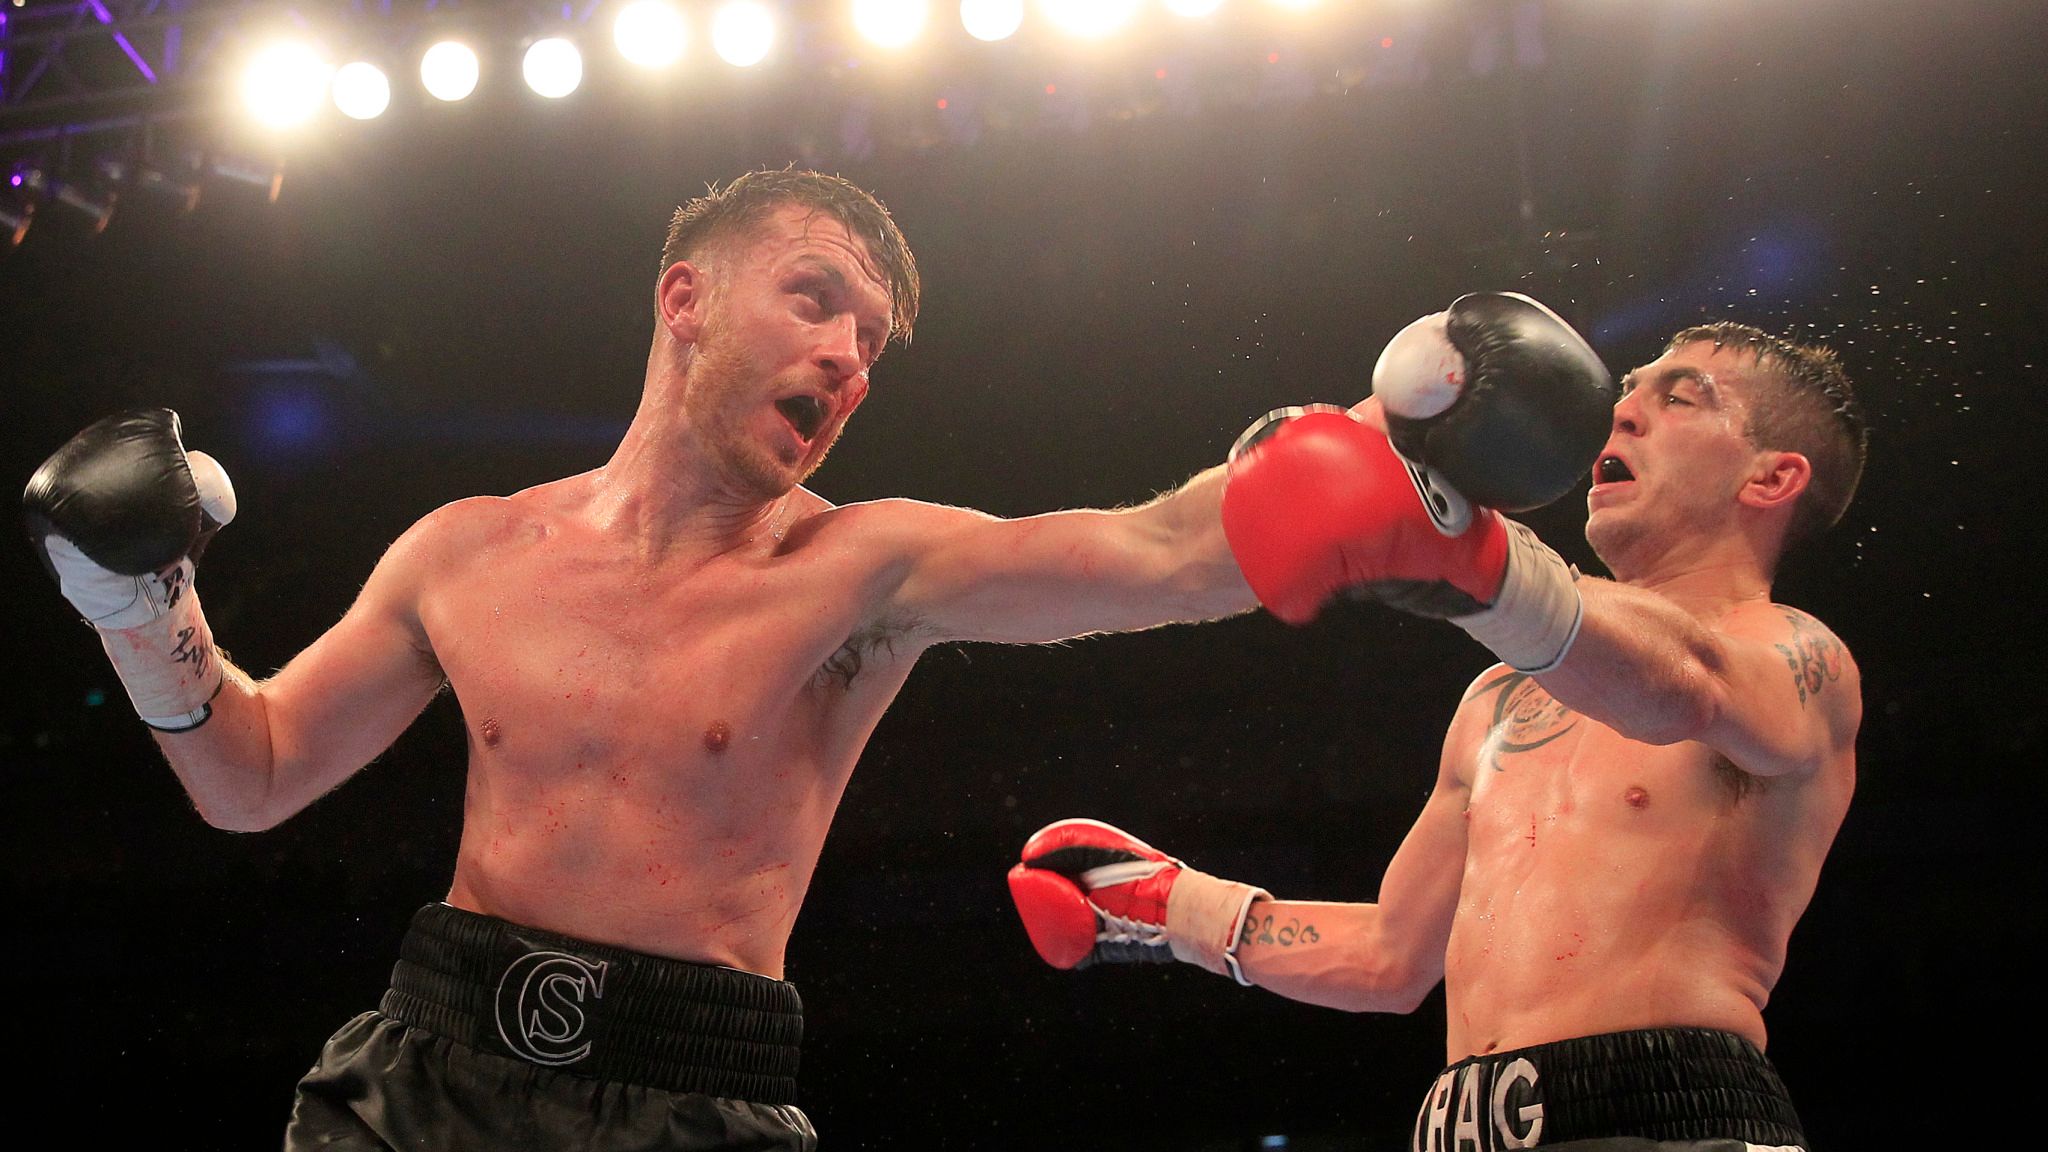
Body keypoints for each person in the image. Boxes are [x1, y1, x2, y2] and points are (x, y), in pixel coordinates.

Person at [23, 168, 1268, 1151]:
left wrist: (1394, 448)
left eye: (873, 341)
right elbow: (255, 775)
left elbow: (1163, 553)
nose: (849, 355)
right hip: (423, 1080)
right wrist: (135, 610)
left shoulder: (864, 573)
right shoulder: (466, 551)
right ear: (685, 301)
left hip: (692, 1090)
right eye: (815, 296)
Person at [1009, 315, 1866, 1152]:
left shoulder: (1799, 660)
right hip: (1458, 1124)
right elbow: (1392, 958)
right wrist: (1169, 906)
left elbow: (1692, 683)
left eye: (1682, 399)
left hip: (1672, 1115)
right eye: (1630, 388)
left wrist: (1470, 554)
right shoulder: (1496, 697)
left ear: (1771, 478)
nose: (1625, 409)